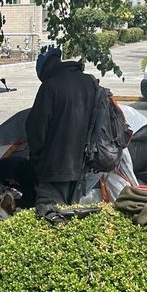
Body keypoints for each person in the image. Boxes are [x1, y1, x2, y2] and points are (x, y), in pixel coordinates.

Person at [25, 47, 98, 220]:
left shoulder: (50, 86)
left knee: (50, 219)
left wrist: (36, 164)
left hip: (54, 169)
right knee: (71, 216)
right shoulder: (90, 83)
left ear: (46, 69)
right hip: (82, 167)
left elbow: (37, 131)